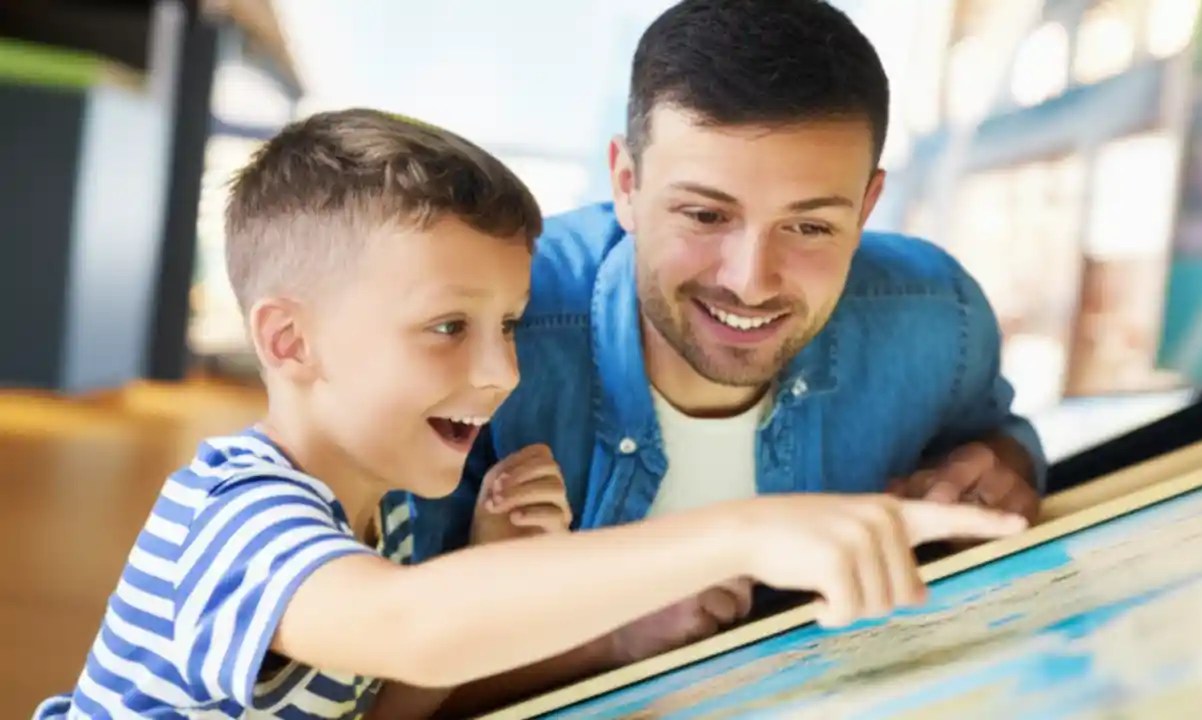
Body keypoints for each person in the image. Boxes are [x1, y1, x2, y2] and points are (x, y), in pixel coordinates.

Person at [33, 109, 1025, 719]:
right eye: (446, 327)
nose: (500, 371)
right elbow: (410, 632)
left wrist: (489, 563)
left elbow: (394, 703)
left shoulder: (382, 520)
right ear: (289, 341)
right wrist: (754, 529)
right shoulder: (231, 514)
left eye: (506, 324)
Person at [403, 0, 1049, 712]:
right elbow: (377, 688)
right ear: (626, 184)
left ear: (866, 208)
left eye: (808, 225)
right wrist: (605, 637)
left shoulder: (937, 317)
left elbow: (1001, 439)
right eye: (706, 216)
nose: (749, 279)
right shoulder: (484, 334)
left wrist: (999, 469)